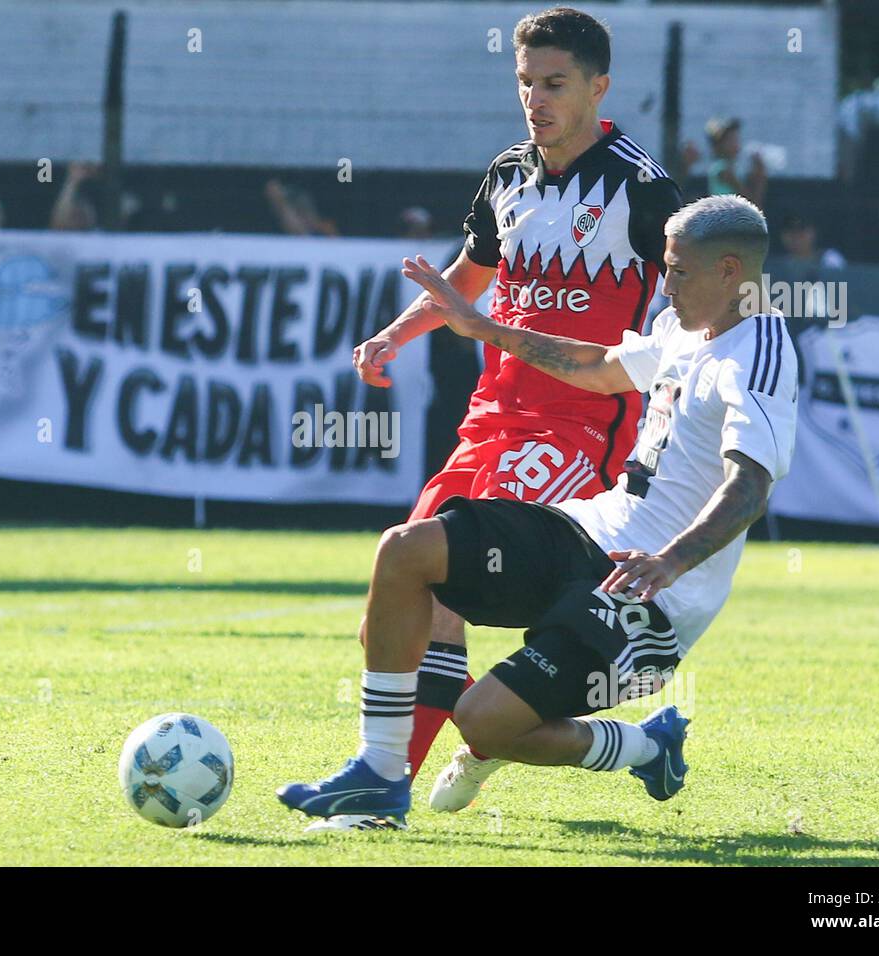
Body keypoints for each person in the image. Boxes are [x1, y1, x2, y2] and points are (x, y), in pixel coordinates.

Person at [278, 194, 796, 827]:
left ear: (729, 271)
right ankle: (380, 775)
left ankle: (646, 745)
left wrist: (671, 561)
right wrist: (484, 327)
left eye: (679, 271)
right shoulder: (681, 327)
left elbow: (749, 486)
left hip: (651, 599)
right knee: (405, 549)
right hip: (592, 530)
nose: (665, 283)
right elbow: (602, 368)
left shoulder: (760, 354)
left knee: (484, 724)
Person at [342, 5, 681, 826]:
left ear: (600, 87)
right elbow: (472, 274)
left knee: (440, 582)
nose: (536, 97)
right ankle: (632, 744)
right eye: (526, 82)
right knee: (398, 598)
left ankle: (379, 788)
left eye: (554, 82)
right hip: (490, 417)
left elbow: (695, 300)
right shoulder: (506, 175)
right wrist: (397, 330)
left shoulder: (641, 187)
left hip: (579, 430)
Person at [704, 116, 766, 207]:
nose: (736, 143)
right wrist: (760, 177)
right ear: (718, 145)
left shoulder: (732, 168)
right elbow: (750, 203)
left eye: (736, 138)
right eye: (730, 139)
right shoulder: (723, 170)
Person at [777, 212, 846, 269]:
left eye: (801, 229)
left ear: (813, 232)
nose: (796, 236)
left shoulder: (830, 259)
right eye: (790, 230)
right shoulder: (777, 266)